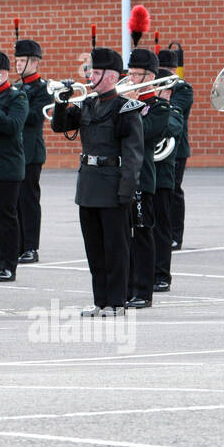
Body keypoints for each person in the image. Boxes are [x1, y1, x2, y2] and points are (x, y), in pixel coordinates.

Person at [49, 46, 143, 316]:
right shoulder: (87, 104)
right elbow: (60, 126)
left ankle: (117, 302)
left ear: (113, 77)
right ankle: (100, 301)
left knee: (116, 248)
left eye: (98, 72)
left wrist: (127, 191)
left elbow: (133, 154)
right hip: (89, 185)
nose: (91, 76)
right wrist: (61, 101)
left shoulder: (126, 108)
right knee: (95, 249)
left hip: (113, 185)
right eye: (92, 71)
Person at [124, 47, 176, 309]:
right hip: (119, 179)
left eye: (137, 75)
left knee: (142, 235)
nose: (131, 79)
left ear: (150, 76)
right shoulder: (120, 101)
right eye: (130, 73)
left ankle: (143, 291)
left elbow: (140, 133)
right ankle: (125, 287)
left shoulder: (160, 107)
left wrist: (131, 105)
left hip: (143, 179)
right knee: (123, 236)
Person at [0, 50, 27, 282]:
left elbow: (12, 126)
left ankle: (9, 265)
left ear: (0, 74)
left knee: (7, 217)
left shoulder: (17, 97)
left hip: (8, 167)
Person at [13, 26, 52, 264]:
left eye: (23, 61)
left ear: (35, 63)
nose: (18, 65)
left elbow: (38, 116)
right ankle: (17, 244)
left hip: (31, 151)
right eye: (16, 60)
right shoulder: (16, 88)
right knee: (14, 201)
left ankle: (31, 247)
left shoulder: (43, 88)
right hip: (15, 151)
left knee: (28, 200)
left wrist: (17, 108)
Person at [151, 65, 185, 293]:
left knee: (161, 229)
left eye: (158, 89)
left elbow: (169, 128)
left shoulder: (173, 111)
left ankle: (162, 275)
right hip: (140, 176)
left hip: (162, 178)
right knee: (140, 229)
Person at [156, 47, 193, 252]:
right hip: (157, 146)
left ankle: (175, 236)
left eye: (166, 70)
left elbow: (173, 110)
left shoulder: (182, 88)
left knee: (173, 191)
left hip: (177, 148)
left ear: (173, 70)